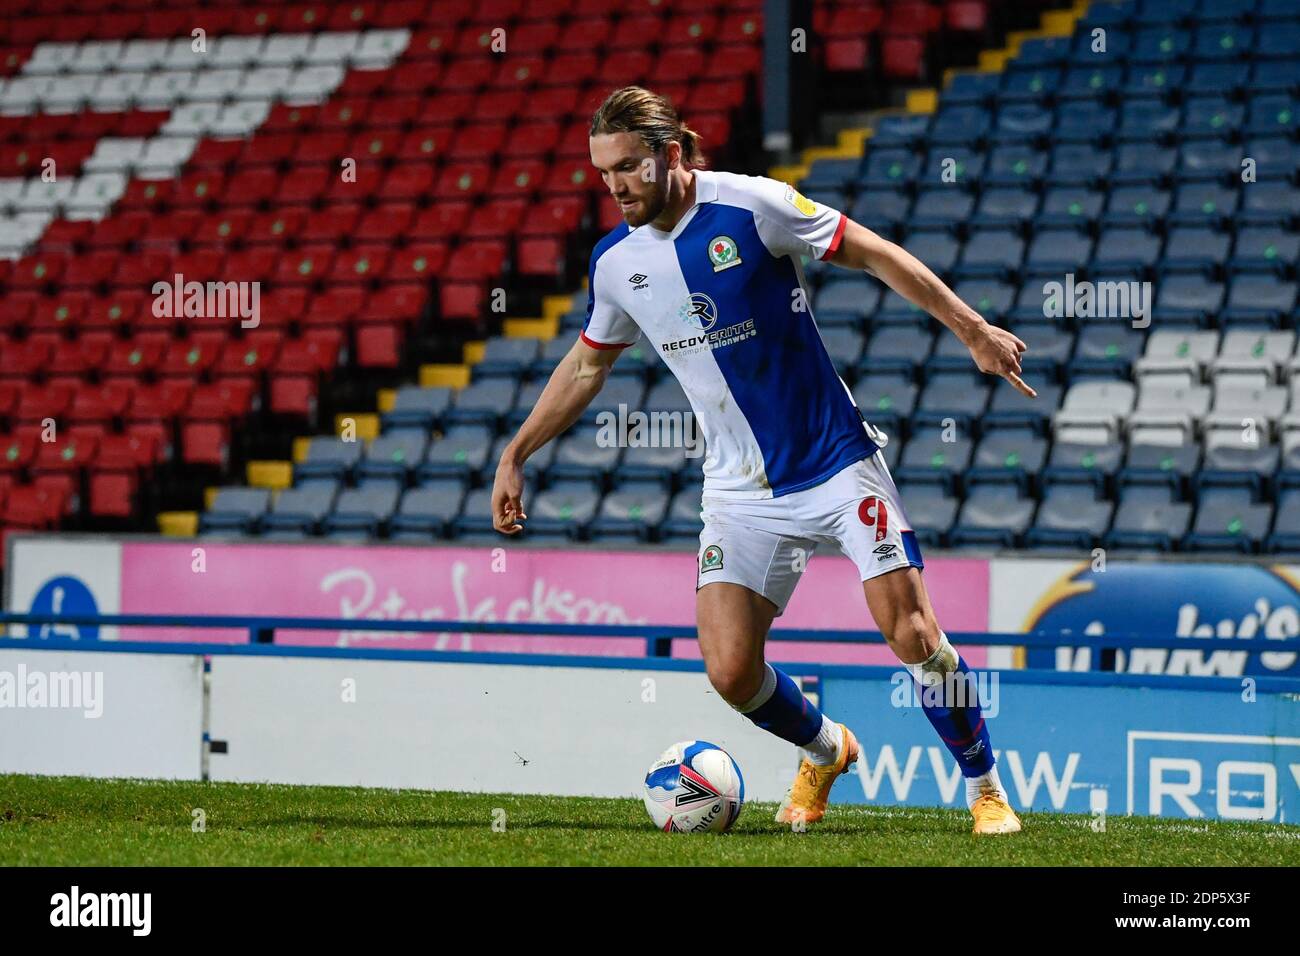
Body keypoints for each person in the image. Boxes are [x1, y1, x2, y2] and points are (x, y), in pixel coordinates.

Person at [492, 87, 1029, 834]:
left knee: (912, 632)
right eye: (601, 172)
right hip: (738, 489)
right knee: (730, 670)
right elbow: (587, 367)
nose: (612, 187)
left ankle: (987, 790)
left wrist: (972, 330)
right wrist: (517, 452)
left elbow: (871, 253)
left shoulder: (753, 206)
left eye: (625, 169)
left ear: (669, 155)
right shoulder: (614, 262)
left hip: (836, 462)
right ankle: (825, 749)